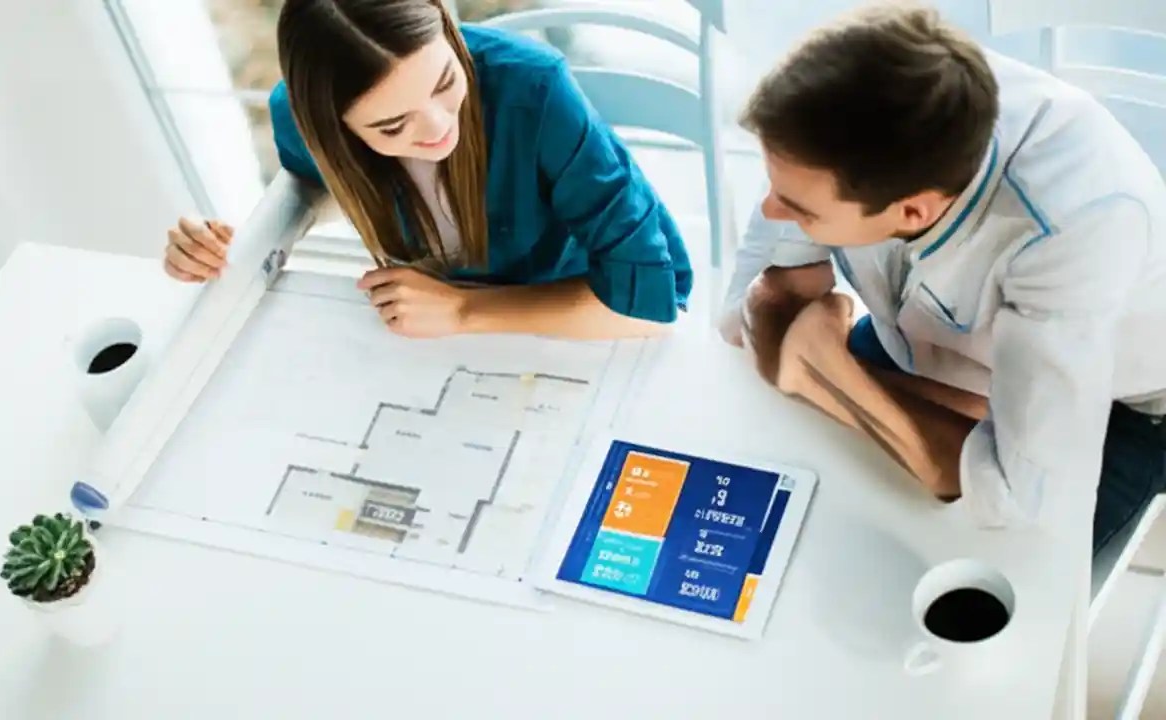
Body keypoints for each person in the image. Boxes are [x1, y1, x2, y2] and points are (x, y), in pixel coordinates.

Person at [718, 2, 1166, 555]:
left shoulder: (1076, 227)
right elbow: (745, 317)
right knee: (783, 509)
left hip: (1130, 408)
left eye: (802, 210)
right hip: (926, 351)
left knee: (992, 578)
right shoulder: (866, 112)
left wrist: (831, 376)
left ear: (912, 212)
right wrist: (825, 371)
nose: (769, 209)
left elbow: (1020, 501)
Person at [162, 0, 692, 340]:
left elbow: (648, 307)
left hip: (575, 311)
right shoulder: (295, 117)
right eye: (392, 127)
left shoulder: (536, 87)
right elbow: (316, 187)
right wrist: (233, 242)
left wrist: (465, 310)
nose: (440, 128)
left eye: (446, 81)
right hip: (438, 331)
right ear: (332, 130)